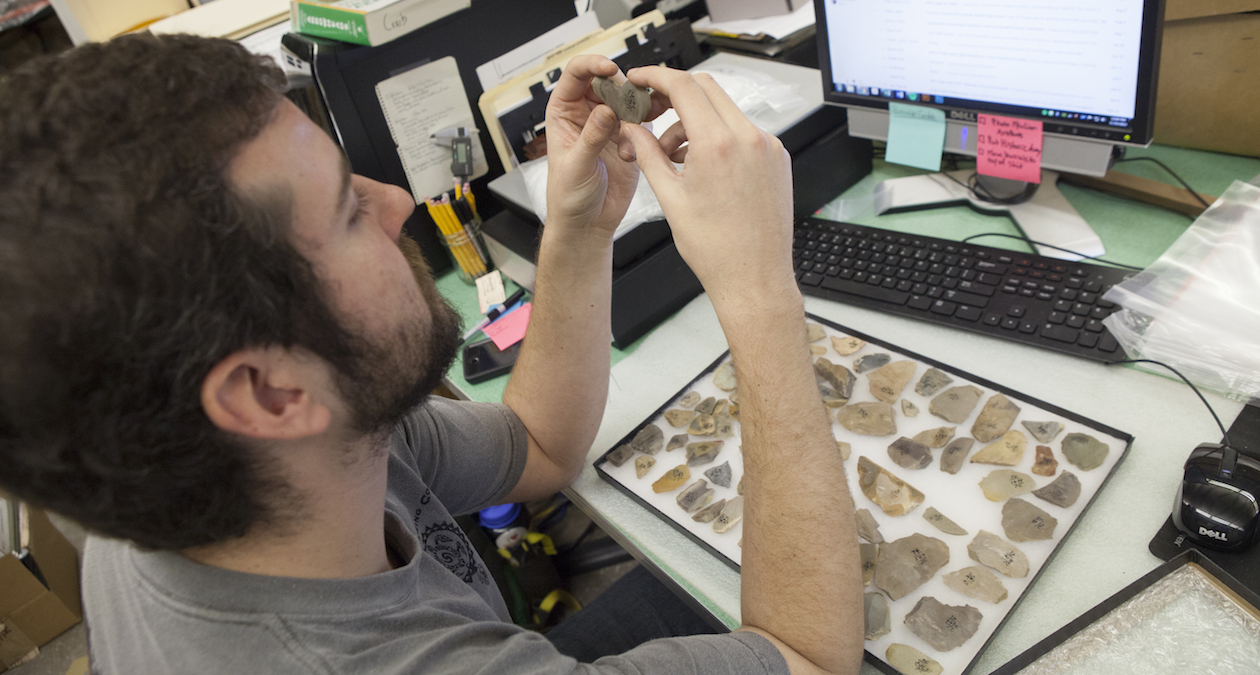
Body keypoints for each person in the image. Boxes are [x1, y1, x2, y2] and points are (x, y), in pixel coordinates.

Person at [0, 34, 861, 674]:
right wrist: (757, 287)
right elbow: (812, 658)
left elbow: (539, 444)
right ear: (267, 391)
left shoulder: (222, 469)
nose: (399, 201)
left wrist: (578, 221)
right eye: (344, 211)